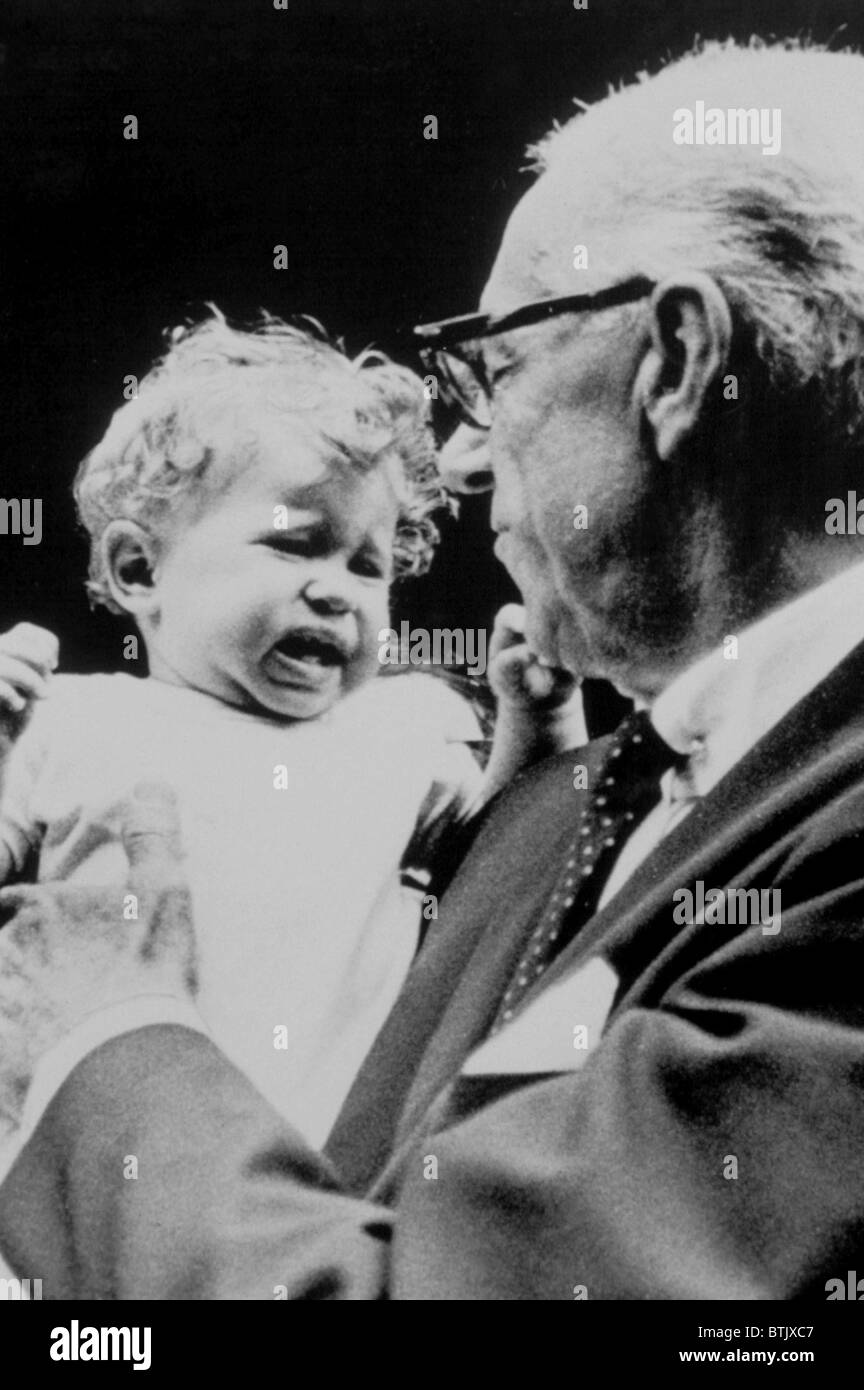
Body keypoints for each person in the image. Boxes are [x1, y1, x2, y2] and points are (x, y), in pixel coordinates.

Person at [3, 35, 864, 1300]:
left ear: (679, 361)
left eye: (495, 367)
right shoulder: (568, 805)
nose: (459, 465)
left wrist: (99, 1048)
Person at [0, 310, 583, 1152]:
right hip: (82, 1191)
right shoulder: (70, 720)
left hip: (318, 1192)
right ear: (140, 568)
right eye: (295, 545)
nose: (338, 590)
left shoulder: (404, 733)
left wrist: (539, 713)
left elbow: (526, 863)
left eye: (366, 564)